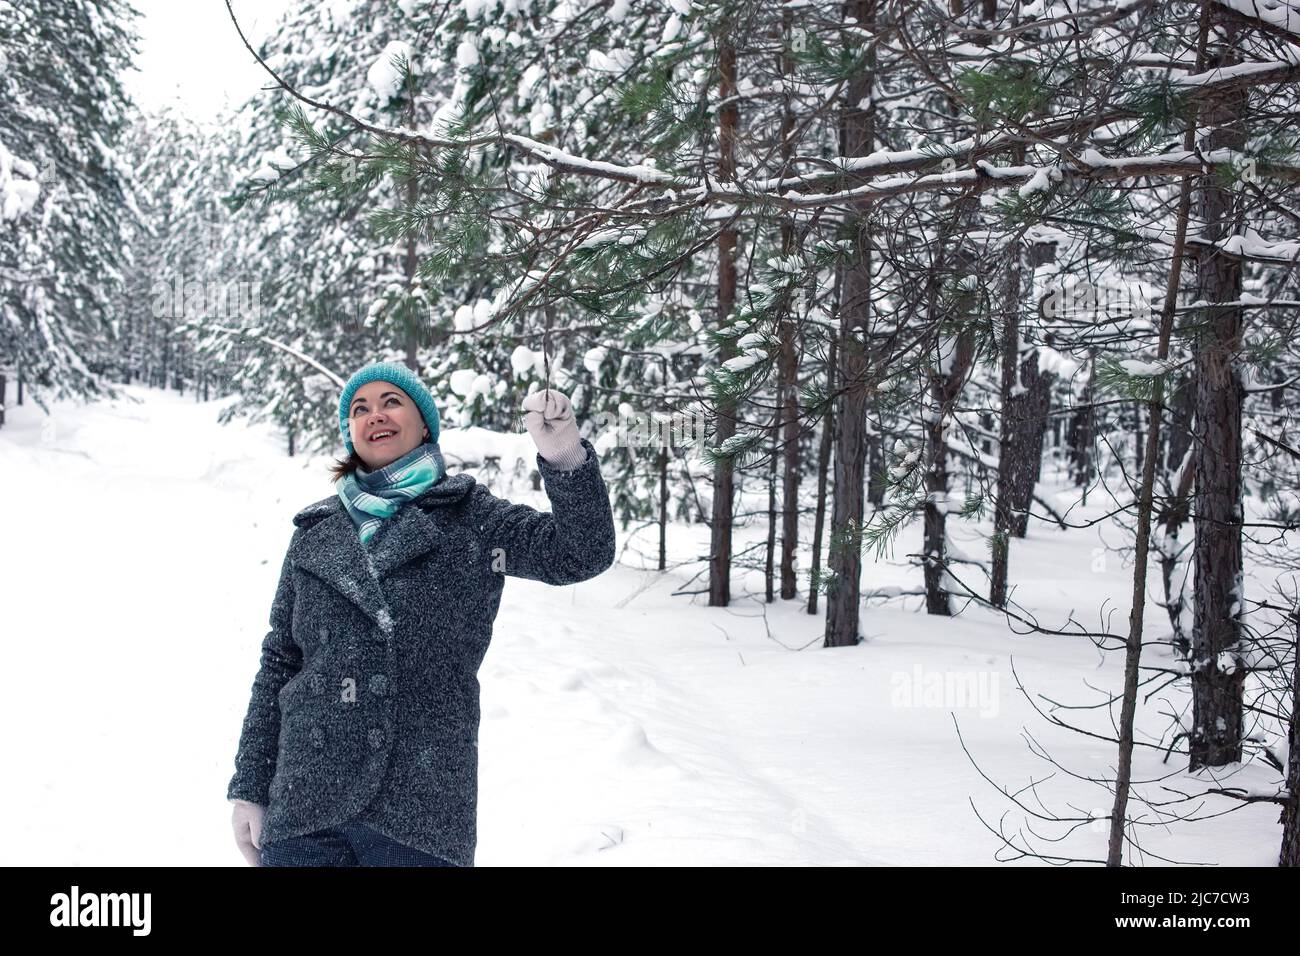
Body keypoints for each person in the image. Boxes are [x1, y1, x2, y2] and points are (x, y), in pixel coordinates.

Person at [226, 360, 616, 866]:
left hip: (419, 813)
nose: (375, 415)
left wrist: (564, 457)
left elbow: (580, 553)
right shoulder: (315, 531)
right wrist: (250, 785)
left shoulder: (472, 518)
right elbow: (281, 662)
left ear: (424, 424)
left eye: (391, 402)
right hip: (304, 808)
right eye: (360, 409)